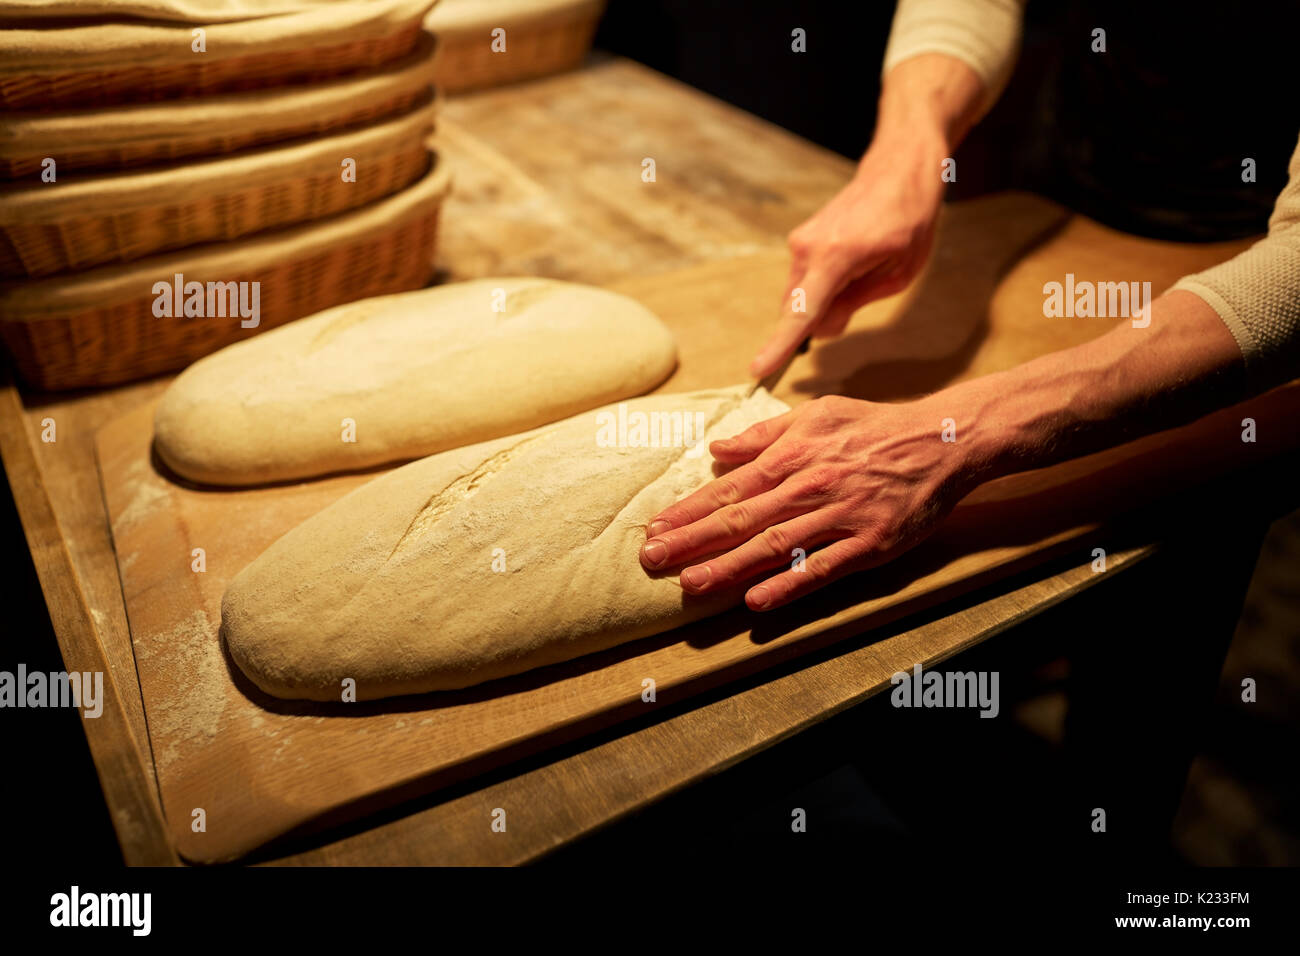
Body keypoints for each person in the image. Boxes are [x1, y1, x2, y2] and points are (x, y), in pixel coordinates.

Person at [638, 0, 1300, 612]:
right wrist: (905, 154)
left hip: (1250, 243)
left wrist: (955, 433)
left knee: (1164, 580)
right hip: (1074, 163)